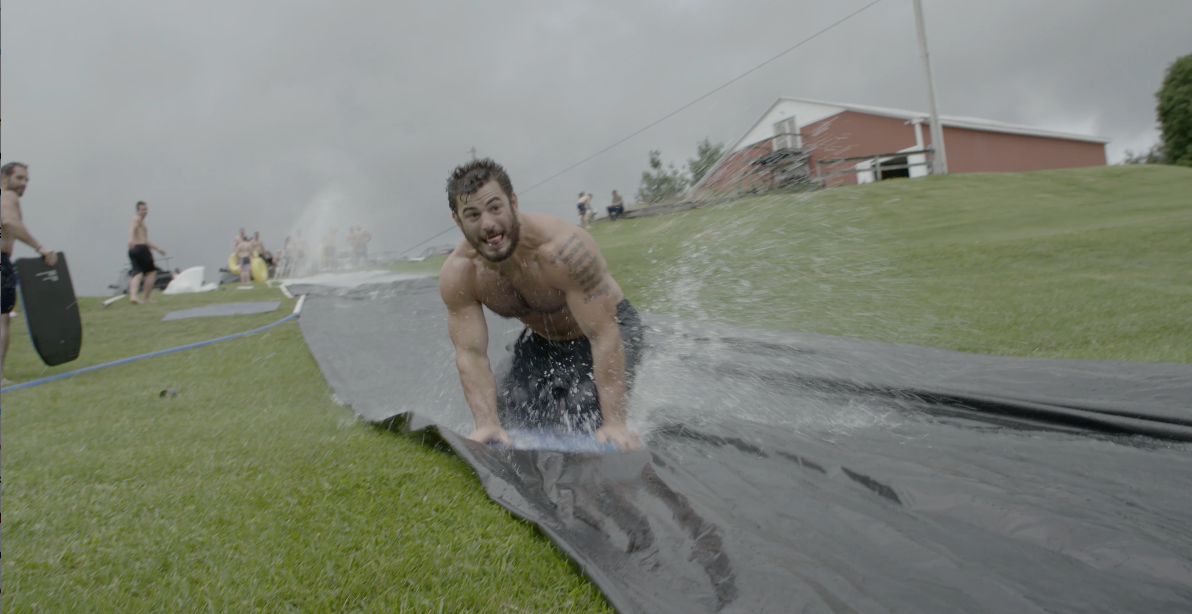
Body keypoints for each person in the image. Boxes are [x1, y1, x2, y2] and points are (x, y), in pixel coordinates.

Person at [439, 159, 644, 450]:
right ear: (457, 220)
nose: (488, 224)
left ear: (512, 202)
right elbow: (471, 353)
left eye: (495, 208)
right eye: (472, 215)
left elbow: (604, 335)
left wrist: (615, 423)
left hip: (609, 328)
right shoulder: (460, 273)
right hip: (545, 338)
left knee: (583, 415)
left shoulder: (561, 249)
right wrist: (487, 423)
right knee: (510, 415)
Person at [1, 162, 58, 385]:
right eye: (19, 178)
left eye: (26, 180)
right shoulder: (7, 196)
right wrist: (39, 247)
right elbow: (9, 221)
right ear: (4, 177)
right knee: (2, 319)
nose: (23, 184)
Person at [127, 201, 167, 304]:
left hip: (133, 250)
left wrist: (158, 249)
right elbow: (132, 229)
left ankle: (133, 296)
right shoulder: (137, 219)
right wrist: (130, 239)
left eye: (146, 209)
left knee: (137, 273)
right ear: (138, 210)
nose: (145, 212)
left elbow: (145, 240)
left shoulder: (140, 221)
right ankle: (146, 298)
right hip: (141, 249)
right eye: (143, 209)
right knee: (151, 272)